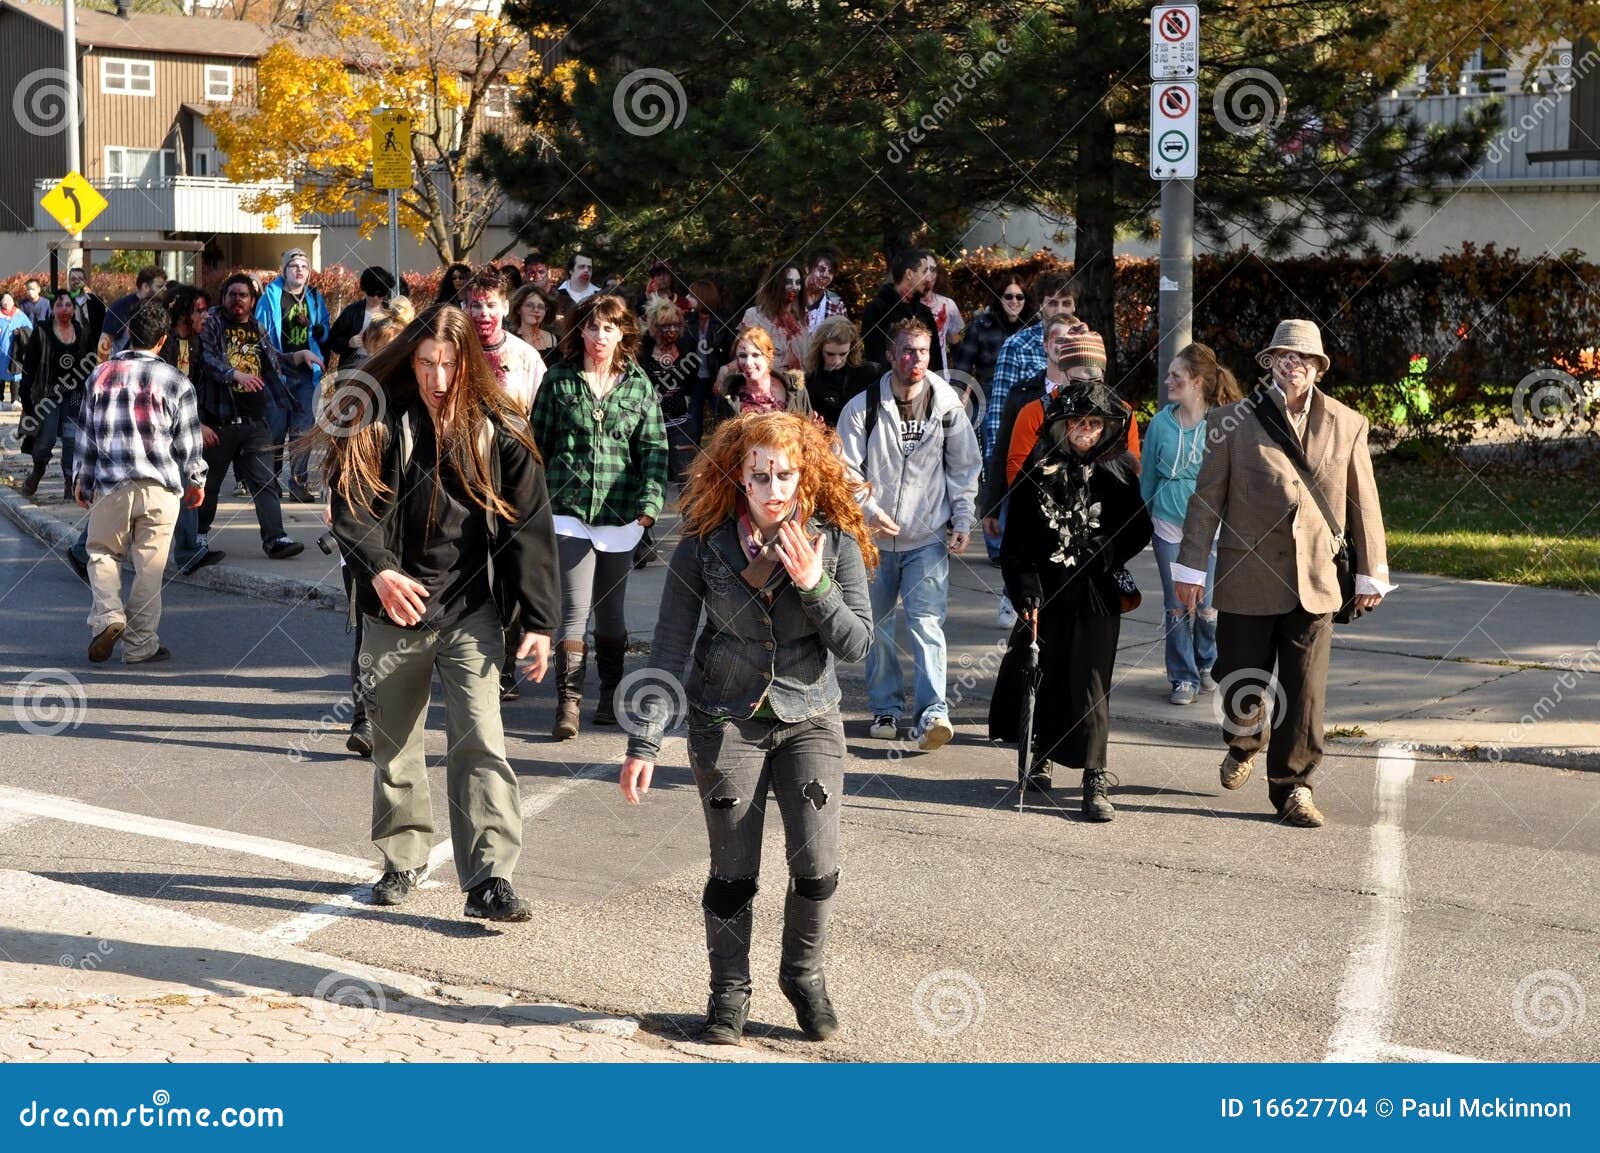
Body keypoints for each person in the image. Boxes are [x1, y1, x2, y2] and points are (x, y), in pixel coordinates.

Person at [618, 410, 876, 1047]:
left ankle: (804, 977)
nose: (774, 489)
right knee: (734, 872)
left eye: (785, 474)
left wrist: (815, 585)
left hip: (811, 716)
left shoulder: (835, 540)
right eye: (759, 476)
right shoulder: (705, 543)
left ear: (805, 475)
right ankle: (728, 991)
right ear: (739, 477)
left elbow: (858, 645)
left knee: (816, 866)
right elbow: (670, 647)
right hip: (726, 720)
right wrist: (644, 740)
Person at [323, 305, 560, 920]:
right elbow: (351, 510)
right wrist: (379, 569)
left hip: (469, 608)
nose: (438, 378)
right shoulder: (377, 420)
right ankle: (403, 860)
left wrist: (537, 620)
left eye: (450, 365)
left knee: (480, 741)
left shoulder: (499, 428)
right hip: (394, 606)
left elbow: (530, 530)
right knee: (394, 743)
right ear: (411, 360)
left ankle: (489, 880)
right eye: (426, 363)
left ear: (469, 365)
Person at [1175, 319, 1391, 829]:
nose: (1294, 366)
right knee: (1237, 680)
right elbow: (1206, 500)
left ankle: (1294, 787)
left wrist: (1371, 572)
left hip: (1316, 579)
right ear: (1270, 364)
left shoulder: (1347, 423)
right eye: (1283, 357)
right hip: (1246, 574)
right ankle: (1243, 740)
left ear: (1318, 368)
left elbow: (1364, 502)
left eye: (1304, 359)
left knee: (1306, 690)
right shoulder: (1231, 421)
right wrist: (1190, 566)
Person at [994, 384, 1153, 819]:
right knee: (1043, 672)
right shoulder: (1037, 469)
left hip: (1097, 594)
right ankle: (1040, 756)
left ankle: (1094, 777)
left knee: (1092, 684)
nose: (1086, 431)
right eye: (1079, 423)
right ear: (1062, 426)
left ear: (1105, 429)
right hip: (1045, 594)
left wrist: (1105, 549)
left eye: (1095, 423)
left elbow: (1139, 529)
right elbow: (1015, 543)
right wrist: (1023, 586)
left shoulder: (1118, 471)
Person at [836, 319, 982, 751]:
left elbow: (964, 468)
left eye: (921, 351)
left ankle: (934, 713)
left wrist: (962, 519)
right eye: (905, 350)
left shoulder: (947, 407)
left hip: (927, 538)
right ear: (890, 354)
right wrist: (869, 512)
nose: (914, 359)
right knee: (875, 626)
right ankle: (885, 708)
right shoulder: (862, 406)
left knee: (926, 625)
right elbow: (843, 470)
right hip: (873, 540)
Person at [530, 293, 668, 737]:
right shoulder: (558, 381)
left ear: (623, 332)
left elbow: (654, 452)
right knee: (573, 611)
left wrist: (649, 509)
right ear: (580, 331)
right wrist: (532, 502)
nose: (599, 336)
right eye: (592, 327)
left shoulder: (639, 386)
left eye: (609, 328)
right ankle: (567, 704)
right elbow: (538, 445)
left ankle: (608, 694)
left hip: (622, 515)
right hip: (567, 511)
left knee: (611, 615)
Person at [75, 301, 207, 666]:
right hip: (160, 488)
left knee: (102, 554)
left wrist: (81, 480)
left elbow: (86, 435)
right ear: (163, 341)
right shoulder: (177, 382)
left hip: (111, 486)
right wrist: (196, 479)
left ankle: (108, 617)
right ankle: (140, 646)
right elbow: (189, 441)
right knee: (150, 567)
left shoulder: (98, 375)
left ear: (128, 333)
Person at [332, 298, 416, 760]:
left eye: (396, 351)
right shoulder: (355, 398)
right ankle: (365, 715)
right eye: (378, 353)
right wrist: (335, 506)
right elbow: (337, 470)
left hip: (416, 533)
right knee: (368, 623)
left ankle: (397, 710)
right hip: (366, 532)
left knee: (408, 629)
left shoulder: (427, 398)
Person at [1142, 343, 1243, 706]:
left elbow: (1236, 479)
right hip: (1167, 525)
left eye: (1176, 376)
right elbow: (1148, 477)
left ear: (1197, 382)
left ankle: (1208, 661)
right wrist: (1144, 519)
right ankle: (1182, 675)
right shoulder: (1160, 423)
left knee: (1207, 603)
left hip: (1210, 530)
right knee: (1176, 602)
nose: (1168, 381)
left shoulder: (1225, 421)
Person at [979, 271, 1080, 614]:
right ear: (1040, 306)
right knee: (1018, 546)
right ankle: (1018, 598)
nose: (1060, 308)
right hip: (1023, 465)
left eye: (1067, 302)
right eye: (1053, 302)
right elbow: (997, 418)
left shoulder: (1085, 348)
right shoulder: (1018, 345)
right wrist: (995, 492)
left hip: (1068, 472)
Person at [196, 273, 304, 560]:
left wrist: (298, 356)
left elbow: (273, 359)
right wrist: (235, 374)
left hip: (255, 422)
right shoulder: (212, 324)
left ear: (253, 301)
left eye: (243, 295)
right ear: (224, 298)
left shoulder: (257, 327)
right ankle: (197, 538)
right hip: (220, 420)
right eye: (232, 294)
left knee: (265, 482)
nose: (237, 300)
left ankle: (275, 539)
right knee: (209, 484)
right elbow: (207, 360)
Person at [1003, 324, 1140, 491]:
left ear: (1103, 374)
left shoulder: (1121, 413)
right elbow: (1017, 472)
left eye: (1094, 382)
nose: (1086, 390)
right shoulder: (1034, 412)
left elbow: (1132, 468)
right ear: (1062, 373)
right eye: (1077, 382)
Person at [159, 285, 226, 576]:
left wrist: (197, 420)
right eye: (199, 311)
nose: (205, 316)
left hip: (179, 425)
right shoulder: (164, 343)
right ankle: (84, 548)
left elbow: (193, 389)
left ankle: (188, 552)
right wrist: (196, 424)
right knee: (126, 486)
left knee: (187, 481)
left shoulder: (195, 343)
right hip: (155, 427)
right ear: (183, 313)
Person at [256, 248, 330, 502]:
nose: (299, 270)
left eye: (304, 266)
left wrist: (321, 331)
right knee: (275, 431)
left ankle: (299, 484)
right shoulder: (271, 296)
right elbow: (260, 333)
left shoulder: (314, 297)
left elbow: (325, 332)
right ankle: (270, 481)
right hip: (278, 373)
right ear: (284, 270)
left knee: (302, 432)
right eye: (293, 266)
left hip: (306, 375)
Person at [18, 291, 93, 499]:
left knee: (72, 441)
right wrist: (25, 395)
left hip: (75, 396)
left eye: (69, 305)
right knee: (47, 439)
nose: (65, 309)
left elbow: (88, 363)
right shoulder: (42, 331)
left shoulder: (80, 330)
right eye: (60, 305)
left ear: (73, 308)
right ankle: (38, 470)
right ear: (52, 309)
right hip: (49, 395)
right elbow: (30, 365)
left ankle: (70, 483)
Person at [462, 270, 546, 416]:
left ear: (505, 307)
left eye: (491, 305)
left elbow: (540, 415)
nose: (484, 313)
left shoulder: (527, 357)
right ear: (465, 308)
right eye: (476, 306)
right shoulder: (455, 354)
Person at [639, 293, 699, 485]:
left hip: (681, 422)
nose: (671, 330)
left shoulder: (686, 348)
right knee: (649, 480)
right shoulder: (642, 351)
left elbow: (692, 383)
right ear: (655, 327)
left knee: (687, 478)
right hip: (650, 424)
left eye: (676, 325)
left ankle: (689, 516)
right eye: (666, 326)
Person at [709, 326, 816, 431]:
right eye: (742, 356)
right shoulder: (728, 396)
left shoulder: (795, 389)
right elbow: (721, 443)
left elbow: (808, 434)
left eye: (755, 355)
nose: (748, 363)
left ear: (769, 356)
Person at [859, 248, 945, 373]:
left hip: (924, 388)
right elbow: (875, 358)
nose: (928, 279)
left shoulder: (924, 312)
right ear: (909, 274)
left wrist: (936, 389)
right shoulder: (876, 309)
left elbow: (936, 360)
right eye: (924, 272)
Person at [801, 315, 876, 428]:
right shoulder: (809, 381)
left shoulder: (868, 374)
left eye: (843, 354)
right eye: (830, 354)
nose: (836, 361)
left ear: (851, 349)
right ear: (819, 349)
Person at [738, 259, 809, 374]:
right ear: (775, 284)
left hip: (796, 388)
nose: (794, 287)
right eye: (788, 282)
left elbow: (807, 363)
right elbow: (742, 356)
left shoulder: (801, 321)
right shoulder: (754, 316)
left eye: (798, 282)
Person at [326, 266, 397, 372]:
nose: (375, 297)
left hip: (382, 369)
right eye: (371, 293)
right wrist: (349, 342)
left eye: (380, 294)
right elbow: (333, 341)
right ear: (365, 290)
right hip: (352, 370)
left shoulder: (391, 314)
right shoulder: (352, 312)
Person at [98, 265, 167, 359]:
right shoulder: (122, 307)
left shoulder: (160, 308)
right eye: (160, 286)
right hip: (124, 369)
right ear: (145, 286)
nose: (164, 290)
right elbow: (105, 341)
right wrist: (103, 370)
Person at [917, 254, 964, 363]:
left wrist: (961, 374)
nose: (929, 275)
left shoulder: (948, 305)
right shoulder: (905, 304)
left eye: (933, 269)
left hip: (939, 376)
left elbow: (955, 343)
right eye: (924, 270)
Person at [0, 291, 34, 410]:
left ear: (13, 302)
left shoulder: (20, 315)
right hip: (1, 353)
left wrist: (20, 332)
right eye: (5, 301)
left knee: (15, 376)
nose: (7, 303)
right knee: (0, 377)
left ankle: (15, 399)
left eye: (9, 300)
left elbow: (30, 329)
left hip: (15, 352)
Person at [803, 247, 848, 331]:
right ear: (807, 268)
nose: (826, 275)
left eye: (831, 272)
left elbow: (843, 338)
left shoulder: (836, 303)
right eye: (821, 269)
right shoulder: (792, 296)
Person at [509, 284, 559, 356]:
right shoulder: (510, 339)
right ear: (518, 309)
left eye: (541, 307)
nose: (536, 310)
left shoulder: (553, 339)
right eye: (529, 305)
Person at [67, 267, 106, 349]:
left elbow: (103, 327)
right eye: (73, 279)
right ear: (69, 281)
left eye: (80, 279)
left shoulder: (96, 302)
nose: (76, 281)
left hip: (92, 349)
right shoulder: (62, 302)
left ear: (85, 281)